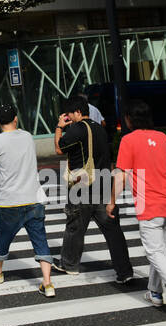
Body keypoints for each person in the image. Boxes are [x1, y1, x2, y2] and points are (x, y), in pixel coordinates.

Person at [108, 100, 166, 319]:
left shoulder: (128, 140)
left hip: (149, 206)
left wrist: (111, 201)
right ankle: (155, 291)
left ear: (129, 119)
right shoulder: (163, 138)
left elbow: (121, 175)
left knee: (155, 252)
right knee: (161, 251)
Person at [53, 95, 133, 284]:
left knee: (75, 227)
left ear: (78, 112)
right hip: (104, 185)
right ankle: (124, 271)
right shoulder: (100, 129)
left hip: (82, 187)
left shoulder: (76, 129)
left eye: (70, 114)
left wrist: (59, 127)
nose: (69, 118)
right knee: (113, 232)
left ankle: (69, 264)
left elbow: (58, 149)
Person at [0, 106, 56, 297]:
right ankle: (47, 283)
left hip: (10, 201)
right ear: (16, 119)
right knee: (40, 240)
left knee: (3, 238)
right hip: (34, 198)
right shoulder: (28, 136)